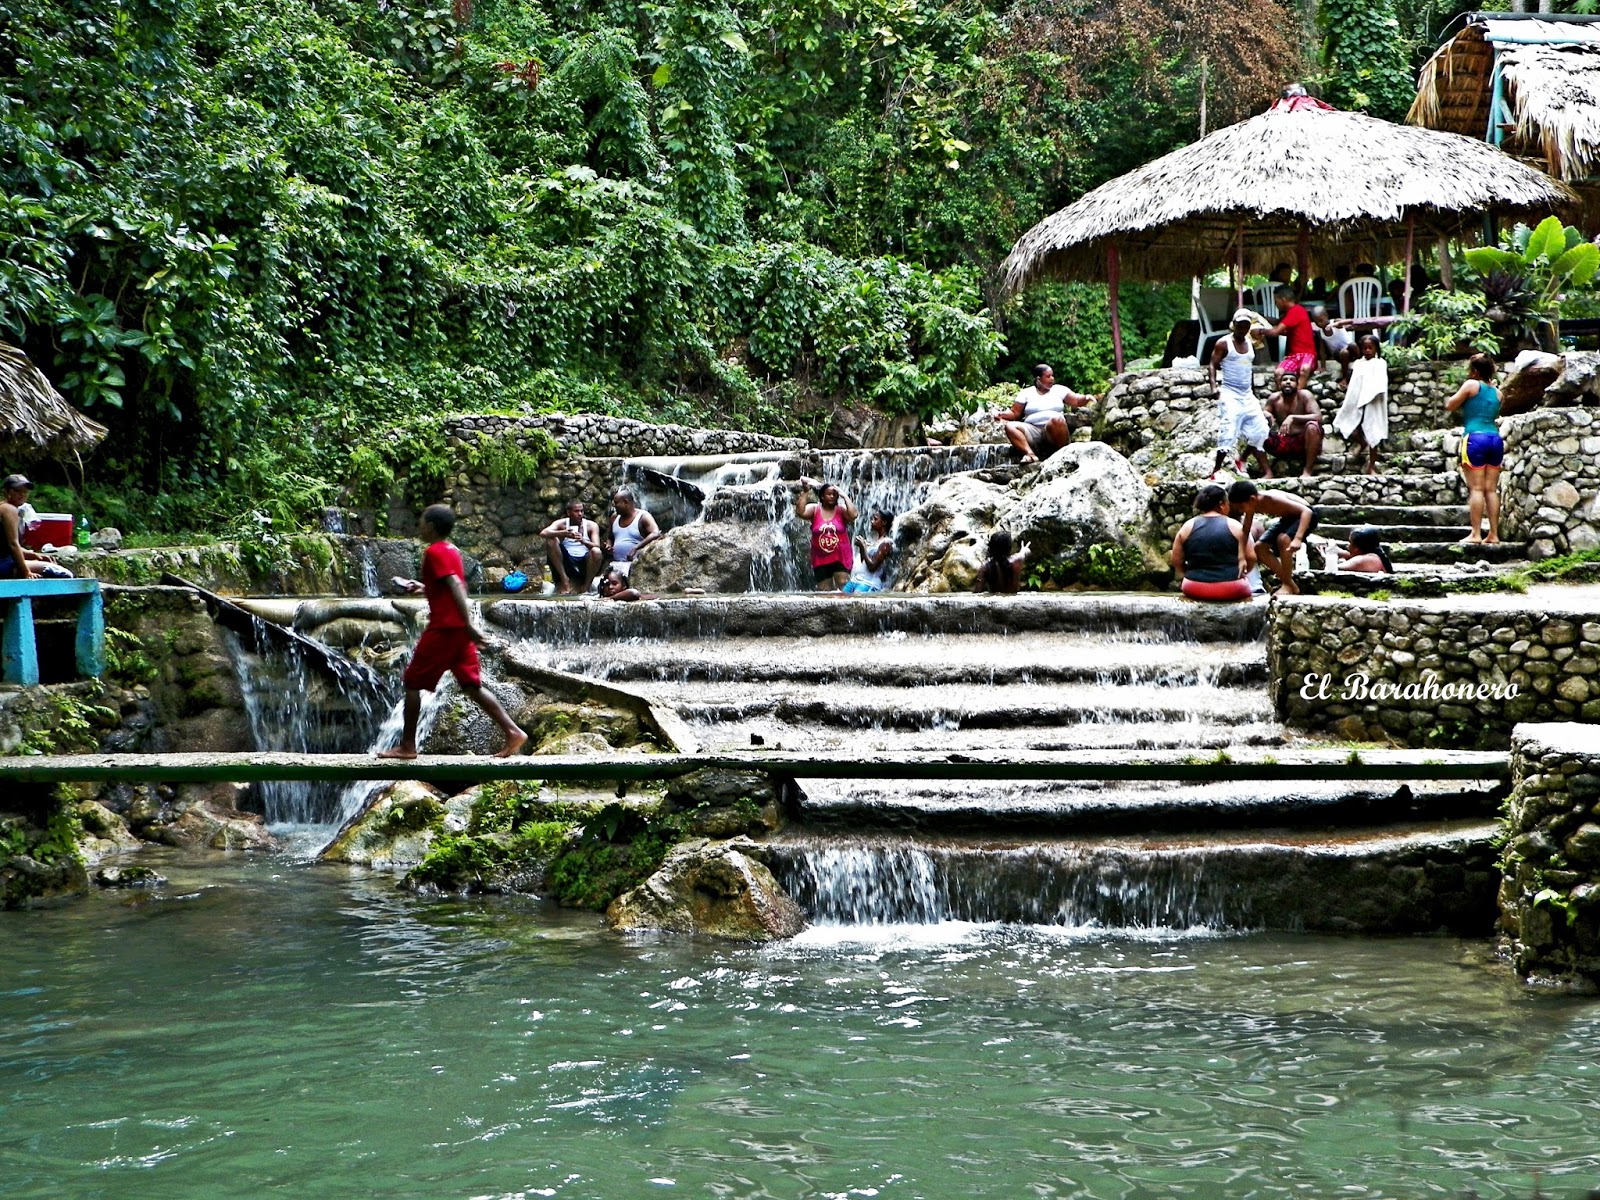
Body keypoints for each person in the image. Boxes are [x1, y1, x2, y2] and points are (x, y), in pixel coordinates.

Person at [378, 504, 527, 760]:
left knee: (412, 683)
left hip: (446, 629)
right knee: (471, 685)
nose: (419, 526)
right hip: (457, 630)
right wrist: (424, 587)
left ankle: (407, 746)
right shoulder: (451, 550)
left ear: (432, 526)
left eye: (422, 521)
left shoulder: (435, 551)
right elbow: (447, 585)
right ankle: (513, 731)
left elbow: (456, 585)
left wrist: (469, 624)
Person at [1445, 353, 1503, 545]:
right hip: (1494, 438)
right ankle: (1494, 534)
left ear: (1475, 370)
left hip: (1474, 438)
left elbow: (1450, 405)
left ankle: (1476, 534)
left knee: (1476, 488)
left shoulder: (1471, 385)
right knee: (1491, 490)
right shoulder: (1497, 393)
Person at [1208, 310, 1272, 479]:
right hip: (1230, 393)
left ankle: (1241, 459)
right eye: (1240, 324)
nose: (1243, 328)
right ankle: (1216, 470)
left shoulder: (1251, 343)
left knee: (1261, 430)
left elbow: (1248, 368)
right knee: (1229, 430)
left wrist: (1254, 392)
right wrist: (1214, 387)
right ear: (1234, 325)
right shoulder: (1224, 343)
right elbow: (1212, 365)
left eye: (1246, 325)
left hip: (1247, 394)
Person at [1227, 480, 1317, 596]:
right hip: (1288, 519)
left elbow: (1307, 511)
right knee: (1259, 548)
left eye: (1240, 507)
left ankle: (1286, 585)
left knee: (1283, 539)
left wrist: (1297, 538)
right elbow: (1245, 531)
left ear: (1252, 499)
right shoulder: (1251, 506)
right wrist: (1241, 555)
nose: (1240, 511)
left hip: (1306, 516)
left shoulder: (1271, 499)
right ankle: (1290, 584)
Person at [992, 364, 1095, 464]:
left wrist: (1086, 398)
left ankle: (1061, 454)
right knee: (1010, 426)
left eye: (1052, 375)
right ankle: (1030, 454)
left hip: (1053, 431)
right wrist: (1001, 414)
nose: (1052, 379)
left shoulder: (1059, 389)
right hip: (1033, 430)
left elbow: (1076, 401)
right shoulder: (1026, 393)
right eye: (1048, 376)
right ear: (1038, 379)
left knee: (1057, 420)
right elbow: (1015, 413)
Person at [1171, 484, 1253, 602]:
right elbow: (1251, 557)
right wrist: (1240, 574)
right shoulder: (1236, 526)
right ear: (1221, 504)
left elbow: (1176, 560)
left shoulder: (1187, 526)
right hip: (1232, 587)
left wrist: (1190, 575)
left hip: (1194, 587)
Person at [1333, 334, 1389, 475]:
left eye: (1371, 347)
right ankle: (1362, 443)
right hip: (1357, 399)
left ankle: (1372, 466)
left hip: (1374, 401)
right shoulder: (1358, 364)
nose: (1368, 350)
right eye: (1365, 348)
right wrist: (1356, 399)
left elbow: (1380, 383)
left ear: (1376, 348)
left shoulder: (1380, 363)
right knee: (1348, 424)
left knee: (1373, 430)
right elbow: (1355, 385)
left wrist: (1370, 395)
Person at [0, 475, 73, 579]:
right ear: (7, 492)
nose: (22, 494)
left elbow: (6, 546)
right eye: (17, 491)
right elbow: (13, 544)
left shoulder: (6, 508)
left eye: (25, 491)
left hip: (5, 562)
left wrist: (33, 555)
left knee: (42, 564)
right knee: (60, 572)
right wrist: (26, 572)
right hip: (3, 564)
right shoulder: (8, 509)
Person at [794, 478, 856, 591]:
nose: (832, 496)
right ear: (822, 496)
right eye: (829, 494)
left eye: (834, 494)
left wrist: (844, 496)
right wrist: (806, 491)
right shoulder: (815, 509)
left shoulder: (841, 510)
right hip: (820, 557)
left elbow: (853, 515)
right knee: (824, 590)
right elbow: (800, 512)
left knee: (843, 586)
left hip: (840, 557)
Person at [1255, 285, 1318, 392]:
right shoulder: (1291, 313)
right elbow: (1282, 329)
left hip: (1307, 354)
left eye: (1276, 301)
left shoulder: (1296, 310)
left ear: (1283, 300)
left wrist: (1260, 331)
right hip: (1293, 356)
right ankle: (1283, 395)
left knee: (1304, 369)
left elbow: (1275, 332)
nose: (1276, 304)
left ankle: (1296, 394)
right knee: (1278, 372)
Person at [1264, 371, 1324, 477]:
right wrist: (1266, 414)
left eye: (1291, 380)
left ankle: (1308, 470)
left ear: (1297, 384)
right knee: (1255, 429)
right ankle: (1267, 471)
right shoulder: (1274, 398)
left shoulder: (1304, 395)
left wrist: (1292, 417)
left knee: (1312, 426)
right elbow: (1264, 413)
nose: (1288, 382)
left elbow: (1318, 417)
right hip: (1283, 442)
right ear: (1279, 384)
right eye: (1284, 380)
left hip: (1303, 442)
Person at [540, 499, 601, 594]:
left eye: (582, 511)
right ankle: (565, 580)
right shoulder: (562, 523)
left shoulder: (591, 525)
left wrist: (583, 541)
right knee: (551, 540)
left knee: (596, 551)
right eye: (576, 511)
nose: (580, 514)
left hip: (584, 561)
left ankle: (586, 586)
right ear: (568, 512)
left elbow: (597, 545)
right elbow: (543, 533)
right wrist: (563, 533)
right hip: (567, 561)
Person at [605, 489, 661, 573]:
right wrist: (608, 545)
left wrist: (636, 548)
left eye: (616, 503)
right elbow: (610, 537)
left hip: (636, 565)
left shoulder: (643, 517)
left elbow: (655, 533)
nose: (614, 506)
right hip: (616, 563)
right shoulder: (614, 517)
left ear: (626, 502)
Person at [842, 510, 894, 594]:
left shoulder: (886, 544)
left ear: (884, 522)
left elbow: (872, 567)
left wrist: (863, 547)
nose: (871, 521)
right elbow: (864, 561)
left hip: (869, 584)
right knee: (840, 597)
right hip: (856, 580)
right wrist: (863, 546)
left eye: (875, 519)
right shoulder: (874, 542)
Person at [973, 529, 1029, 593]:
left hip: (994, 601)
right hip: (1014, 601)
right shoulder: (1017, 560)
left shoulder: (985, 568)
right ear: (1009, 548)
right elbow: (1025, 552)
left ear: (991, 547)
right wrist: (1024, 549)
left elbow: (977, 592)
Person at [1311, 305, 1354, 381]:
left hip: (1351, 350)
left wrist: (1335, 324)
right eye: (1316, 322)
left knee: (1352, 345)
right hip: (1339, 354)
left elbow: (1350, 321)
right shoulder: (1321, 333)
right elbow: (1322, 351)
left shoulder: (1335, 322)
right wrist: (1323, 367)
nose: (1319, 324)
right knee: (1344, 352)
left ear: (1326, 316)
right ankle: (1345, 378)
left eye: (1321, 320)